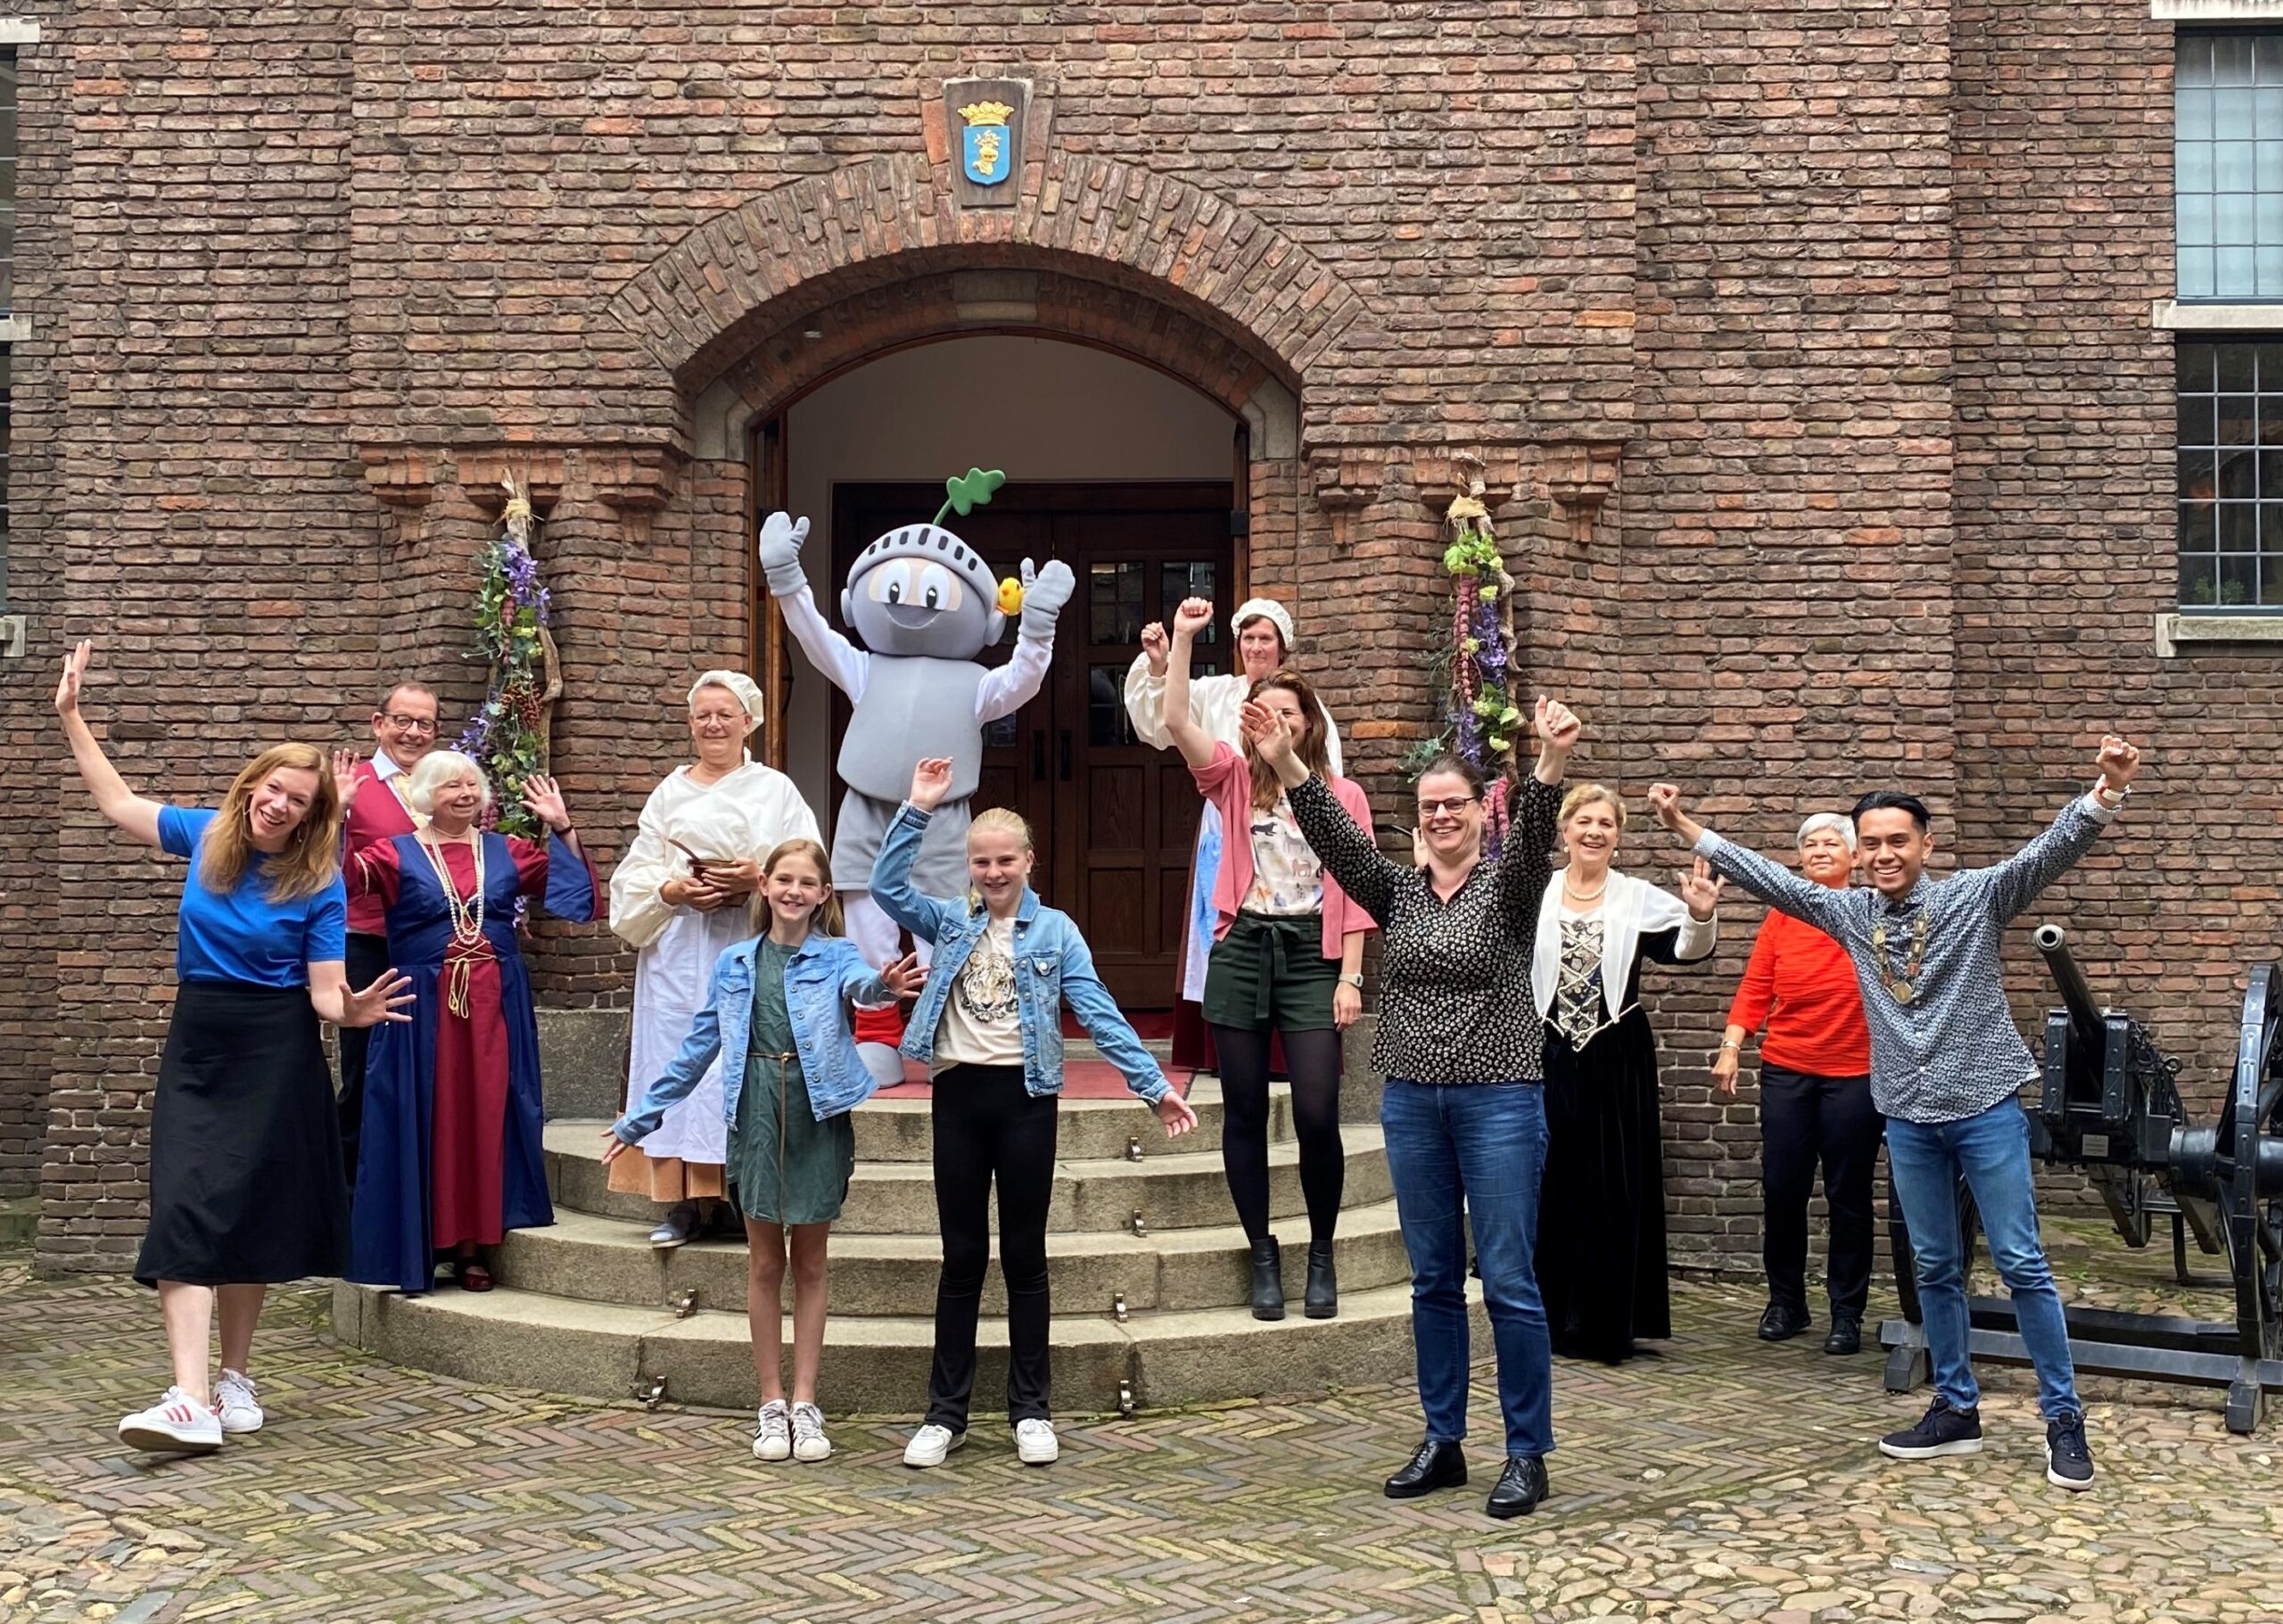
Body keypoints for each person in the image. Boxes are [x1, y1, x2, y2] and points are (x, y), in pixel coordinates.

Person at [1646, 730, 2143, 1494]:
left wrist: (2105, 792)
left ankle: (2062, 1416)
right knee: (1935, 1264)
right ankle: (1955, 1405)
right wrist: (1686, 828)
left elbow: (2046, 853)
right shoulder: (1848, 913)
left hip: (1983, 1109)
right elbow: (1769, 879)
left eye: (1896, 840)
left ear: (1924, 843)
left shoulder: (1973, 896)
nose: (1883, 853)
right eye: (1871, 842)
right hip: (1908, 1117)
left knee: (2021, 1262)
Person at [55, 640, 411, 1454]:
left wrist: (350, 1011)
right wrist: (72, 715)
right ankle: (189, 1396)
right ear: (251, 787)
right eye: (272, 789)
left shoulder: (317, 881)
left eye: (298, 799)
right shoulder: (206, 836)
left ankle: (235, 1376)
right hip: (202, 1037)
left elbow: (324, 991)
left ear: (314, 814)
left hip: (278, 1047)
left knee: (245, 1207)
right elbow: (117, 803)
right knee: (186, 1201)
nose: (279, 805)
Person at [1254, 694, 1578, 1521]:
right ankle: (1443, 1438)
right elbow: (1335, 838)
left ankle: (1526, 1451)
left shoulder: (1508, 891)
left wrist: (1549, 761)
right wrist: (1291, 760)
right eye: (1430, 807)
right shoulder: (1394, 891)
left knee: (1507, 1278)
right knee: (1432, 1280)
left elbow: (1537, 831)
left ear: (1479, 813)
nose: (1441, 817)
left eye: (1456, 805)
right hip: (1412, 1103)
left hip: (1500, 1099)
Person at [875, 758, 1200, 1471]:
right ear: (968, 865)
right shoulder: (946, 919)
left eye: (1005, 860)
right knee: (962, 1256)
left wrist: (1153, 1085)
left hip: (1026, 1100)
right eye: (981, 861)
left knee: (1024, 1255)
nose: (993, 872)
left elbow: (1100, 1013)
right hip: (960, 1095)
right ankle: (945, 1413)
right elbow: (884, 888)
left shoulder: (1055, 931)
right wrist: (918, 808)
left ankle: (1031, 1408)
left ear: (1028, 861)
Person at [604, 838, 924, 1463]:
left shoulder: (837, 955)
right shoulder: (736, 963)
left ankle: (806, 1401)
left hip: (815, 1114)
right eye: (784, 879)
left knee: (810, 1260)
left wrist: (884, 986)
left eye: (808, 881)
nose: (794, 891)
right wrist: (642, 1118)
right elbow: (697, 1049)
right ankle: (770, 1402)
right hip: (753, 1113)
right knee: (761, 1263)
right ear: (765, 886)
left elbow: (866, 988)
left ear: (824, 894)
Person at [1159, 595, 1372, 1320]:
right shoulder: (1232, 781)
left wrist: (1350, 975)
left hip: (1312, 954)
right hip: (1243, 945)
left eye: (1288, 710)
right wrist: (1186, 640)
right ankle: (1261, 1252)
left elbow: (1353, 883)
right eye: (1262, 710)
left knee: (1317, 1110)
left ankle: (1321, 1249)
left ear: (1308, 722)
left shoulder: (1340, 794)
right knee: (1243, 1110)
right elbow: (1177, 722)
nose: (1274, 718)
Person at [347, 750, 602, 1294]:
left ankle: (473, 1246)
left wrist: (563, 826)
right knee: (430, 1113)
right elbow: (333, 886)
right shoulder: (392, 854)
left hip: (494, 1003)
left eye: (471, 785)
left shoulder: (508, 850)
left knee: (483, 1114)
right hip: (421, 1005)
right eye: (449, 787)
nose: (463, 794)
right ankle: (424, 1241)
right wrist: (335, 816)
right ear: (425, 796)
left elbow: (574, 898)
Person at [606, 671, 821, 1249]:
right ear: (690, 722)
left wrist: (756, 877)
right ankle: (683, 1202)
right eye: (703, 714)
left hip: (744, 941)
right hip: (678, 950)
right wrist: (672, 890)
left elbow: (808, 861)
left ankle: (739, 1195)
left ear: (748, 721)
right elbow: (636, 871)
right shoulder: (670, 793)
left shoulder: (774, 791)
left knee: (744, 1062)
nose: (713, 723)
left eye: (725, 713)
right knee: (678, 1060)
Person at [1530, 786, 1721, 1365]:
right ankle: (1549, 1315)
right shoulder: (1535, 893)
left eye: (1606, 824)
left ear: (1619, 834)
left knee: (1612, 1183)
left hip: (1616, 1055)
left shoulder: (1636, 896)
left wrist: (1701, 913)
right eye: (1583, 821)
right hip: (1547, 1050)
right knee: (1549, 1180)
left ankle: (1608, 1321)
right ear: (1564, 829)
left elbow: (1687, 950)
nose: (1594, 831)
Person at [1125, 597, 1342, 1072]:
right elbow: (1168, 722)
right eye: (1249, 637)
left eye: (1266, 638)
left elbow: (1329, 780)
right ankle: (1224, 1043)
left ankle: (1288, 1051)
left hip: (1289, 836)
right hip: (1230, 822)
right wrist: (1166, 662)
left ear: (1282, 647)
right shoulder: (1218, 692)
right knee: (1221, 933)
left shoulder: (1305, 703)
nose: (1257, 646)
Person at [1711, 812, 1878, 1355]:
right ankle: (1785, 1301)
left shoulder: (1874, 912)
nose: (1819, 850)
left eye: (1832, 842)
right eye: (1809, 844)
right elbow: (1756, 986)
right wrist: (1732, 1046)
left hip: (1856, 1074)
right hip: (1788, 1069)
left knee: (1847, 1195)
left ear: (1855, 858)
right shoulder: (1783, 916)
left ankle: (1846, 1312)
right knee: (1783, 1188)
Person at [329, 680, 441, 1191]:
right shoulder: (354, 783)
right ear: (379, 724)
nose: (413, 733)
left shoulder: (447, 785)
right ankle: (353, 1199)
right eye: (402, 720)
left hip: (436, 948)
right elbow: (320, 865)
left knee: (430, 1074)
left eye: (424, 724)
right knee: (366, 1072)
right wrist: (335, 812)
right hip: (367, 942)